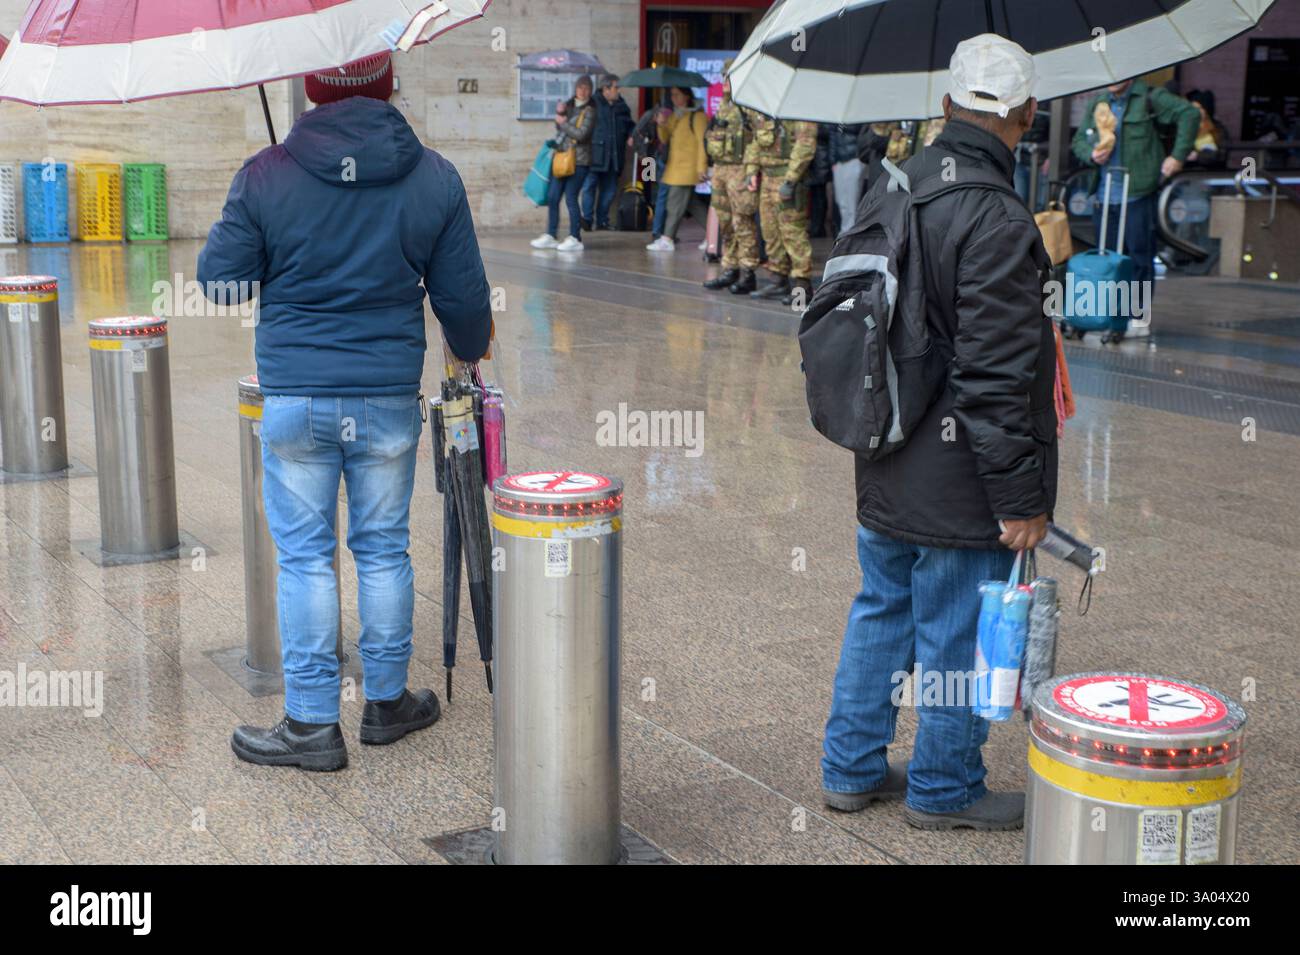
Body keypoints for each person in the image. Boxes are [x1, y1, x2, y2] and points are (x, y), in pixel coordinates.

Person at [196, 52, 492, 771]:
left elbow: (219, 283)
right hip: (387, 397)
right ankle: (386, 702)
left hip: (296, 396)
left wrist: (273, 240)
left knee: (305, 558)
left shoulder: (268, 172)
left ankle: (310, 724)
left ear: (311, 84)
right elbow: (466, 311)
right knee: (384, 547)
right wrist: (465, 345)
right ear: (388, 84)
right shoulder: (435, 176)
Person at [820, 34, 1057, 831]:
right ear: (1024, 116)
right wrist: (1020, 498)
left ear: (947, 105)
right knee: (955, 632)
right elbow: (994, 379)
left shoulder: (898, 182)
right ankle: (945, 788)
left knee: (882, 607)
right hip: (958, 479)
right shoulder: (994, 213)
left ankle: (850, 768)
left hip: (883, 445)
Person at [1072, 76, 1199, 292]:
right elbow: (1078, 141)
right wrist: (1092, 154)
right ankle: (1112, 316)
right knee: (1108, 258)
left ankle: (1139, 316)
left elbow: (1190, 113)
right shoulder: (1099, 102)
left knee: (1140, 256)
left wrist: (1177, 156)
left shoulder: (1150, 96)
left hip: (1138, 191)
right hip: (1104, 193)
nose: (1112, 77)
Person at [744, 114, 817, 304]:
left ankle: (802, 287)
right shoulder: (767, 110)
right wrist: (751, 170)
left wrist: (791, 179)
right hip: (767, 179)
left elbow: (805, 146)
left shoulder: (799, 111)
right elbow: (755, 142)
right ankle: (778, 280)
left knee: (793, 233)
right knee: (771, 232)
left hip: (787, 180)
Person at [702, 62, 760, 294]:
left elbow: (758, 139)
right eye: (724, 75)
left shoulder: (748, 106)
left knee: (742, 221)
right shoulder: (724, 106)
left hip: (739, 169)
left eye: (730, 76)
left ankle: (748, 272)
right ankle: (730, 268)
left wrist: (751, 170)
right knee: (725, 222)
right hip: (721, 170)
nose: (725, 80)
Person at [531, 74, 596, 252]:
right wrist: (560, 114)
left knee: (571, 198)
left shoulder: (590, 111)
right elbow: (561, 129)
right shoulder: (569, 106)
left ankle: (575, 237)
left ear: (590, 91)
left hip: (580, 161)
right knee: (553, 196)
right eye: (580, 87)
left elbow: (581, 134)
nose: (582, 91)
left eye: (586, 88)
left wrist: (564, 122)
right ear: (575, 89)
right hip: (561, 159)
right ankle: (551, 234)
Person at [647, 87, 708, 252]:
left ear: (686, 96)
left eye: (677, 95)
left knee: (674, 202)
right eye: (672, 95)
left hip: (687, 168)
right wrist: (661, 125)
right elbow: (665, 138)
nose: (673, 98)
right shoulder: (677, 115)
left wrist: (702, 167)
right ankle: (715, 234)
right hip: (675, 166)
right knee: (691, 204)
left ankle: (667, 238)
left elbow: (703, 143)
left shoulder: (697, 116)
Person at [581, 74, 633, 231]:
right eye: (616, 88)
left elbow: (630, 125)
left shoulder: (622, 106)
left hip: (614, 157)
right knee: (589, 187)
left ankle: (602, 221)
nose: (618, 91)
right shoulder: (592, 104)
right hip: (594, 155)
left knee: (609, 191)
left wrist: (632, 134)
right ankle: (587, 220)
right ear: (605, 89)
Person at [828, 123, 864, 235]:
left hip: (854, 158)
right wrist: (832, 160)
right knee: (841, 200)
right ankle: (845, 231)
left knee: (852, 201)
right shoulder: (835, 115)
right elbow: (832, 137)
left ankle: (850, 232)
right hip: (839, 161)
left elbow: (861, 131)